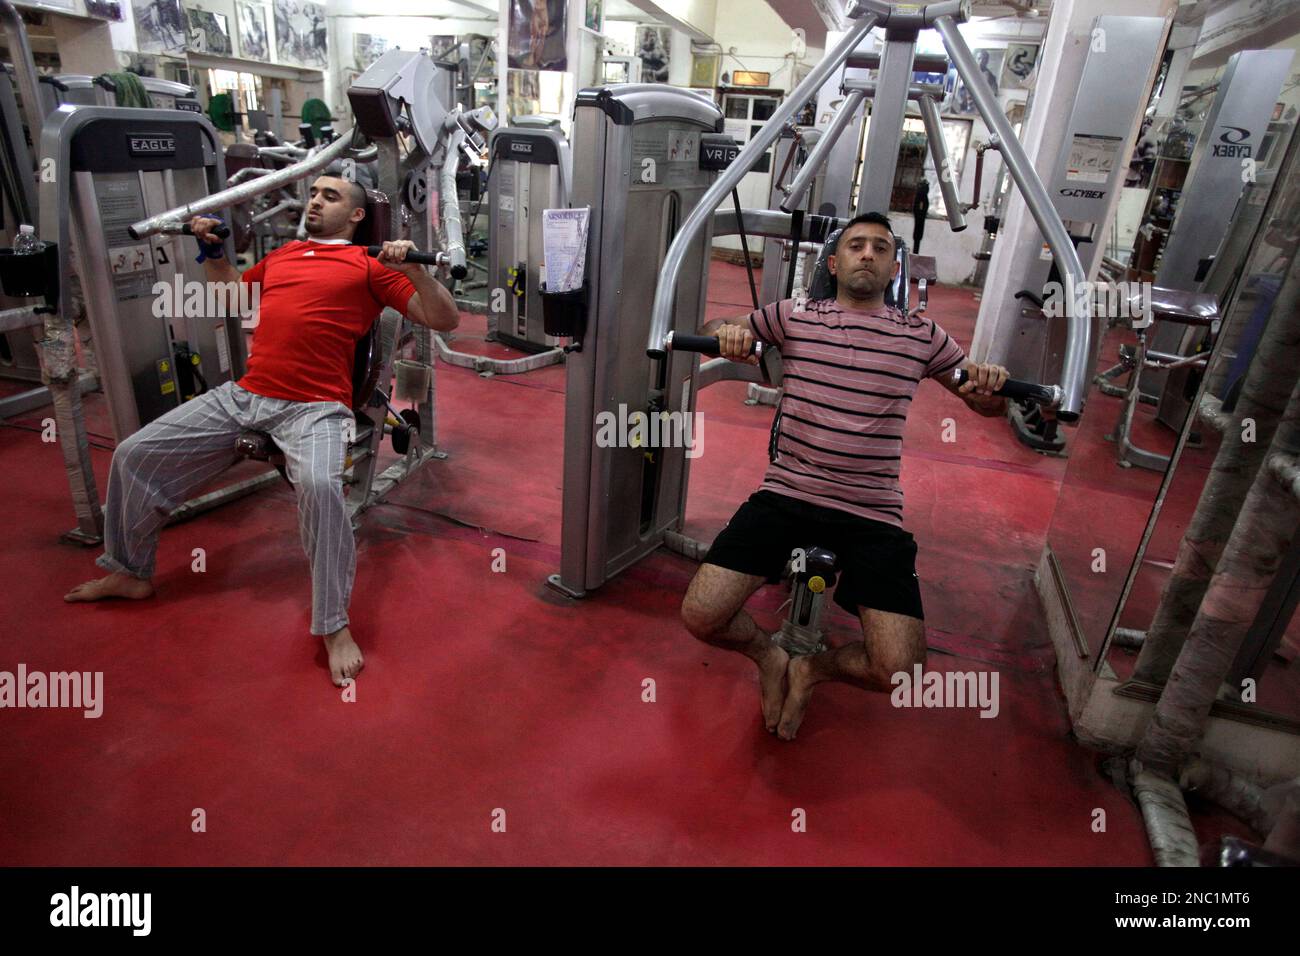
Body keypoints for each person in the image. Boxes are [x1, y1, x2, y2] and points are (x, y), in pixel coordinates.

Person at [63, 173, 460, 687]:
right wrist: (214, 254)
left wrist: (413, 270)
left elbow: (443, 318)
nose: (315, 200)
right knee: (134, 453)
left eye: (330, 196)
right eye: (313, 192)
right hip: (245, 395)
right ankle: (129, 571)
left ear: (357, 216)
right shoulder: (287, 255)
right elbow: (231, 298)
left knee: (320, 487)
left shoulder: (368, 266)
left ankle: (333, 625)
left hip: (316, 409)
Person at [679, 211, 1010, 740]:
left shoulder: (921, 335)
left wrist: (991, 385)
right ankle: (768, 657)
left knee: (900, 670)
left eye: (881, 249)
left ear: (894, 267)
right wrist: (731, 334)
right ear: (833, 264)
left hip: (871, 511)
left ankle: (813, 669)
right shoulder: (796, 314)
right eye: (856, 246)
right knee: (701, 615)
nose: (868, 255)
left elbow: (984, 404)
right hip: (786, 494)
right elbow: (714, 329)